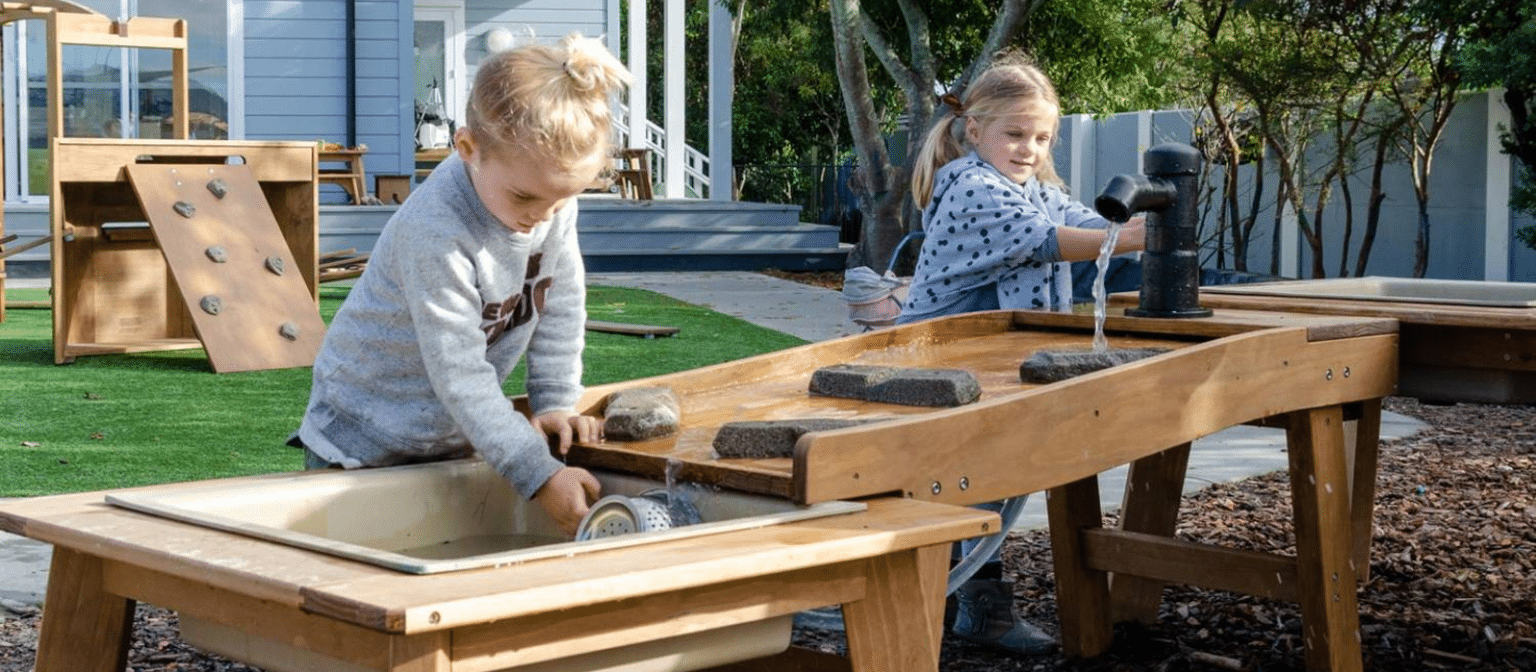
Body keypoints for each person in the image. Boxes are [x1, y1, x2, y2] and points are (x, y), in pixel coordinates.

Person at [291, 34, 630, 538]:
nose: (541, 217)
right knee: (352, 587)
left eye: (563, 199)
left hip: (447, 435)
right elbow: (460, 373)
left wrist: (556, 399)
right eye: (525, 198)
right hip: (363, 439)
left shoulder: (547, 199)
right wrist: (539, 475)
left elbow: (558, 301)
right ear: (468, 148)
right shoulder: (436, 230)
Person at [897, 52, 1146, 654]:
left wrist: (1135, 232)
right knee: (971, 483)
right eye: (1015, 133)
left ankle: (961, 600)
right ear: (974, 129)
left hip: (986, 366)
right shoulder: (970, 188)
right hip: (935, 363)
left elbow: (1082, 220)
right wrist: (1132, 235)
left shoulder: (1034, 188)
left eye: (1041, 137)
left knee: (990, 480)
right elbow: (1049, 242)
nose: (1029, 148)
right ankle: (953, 603)